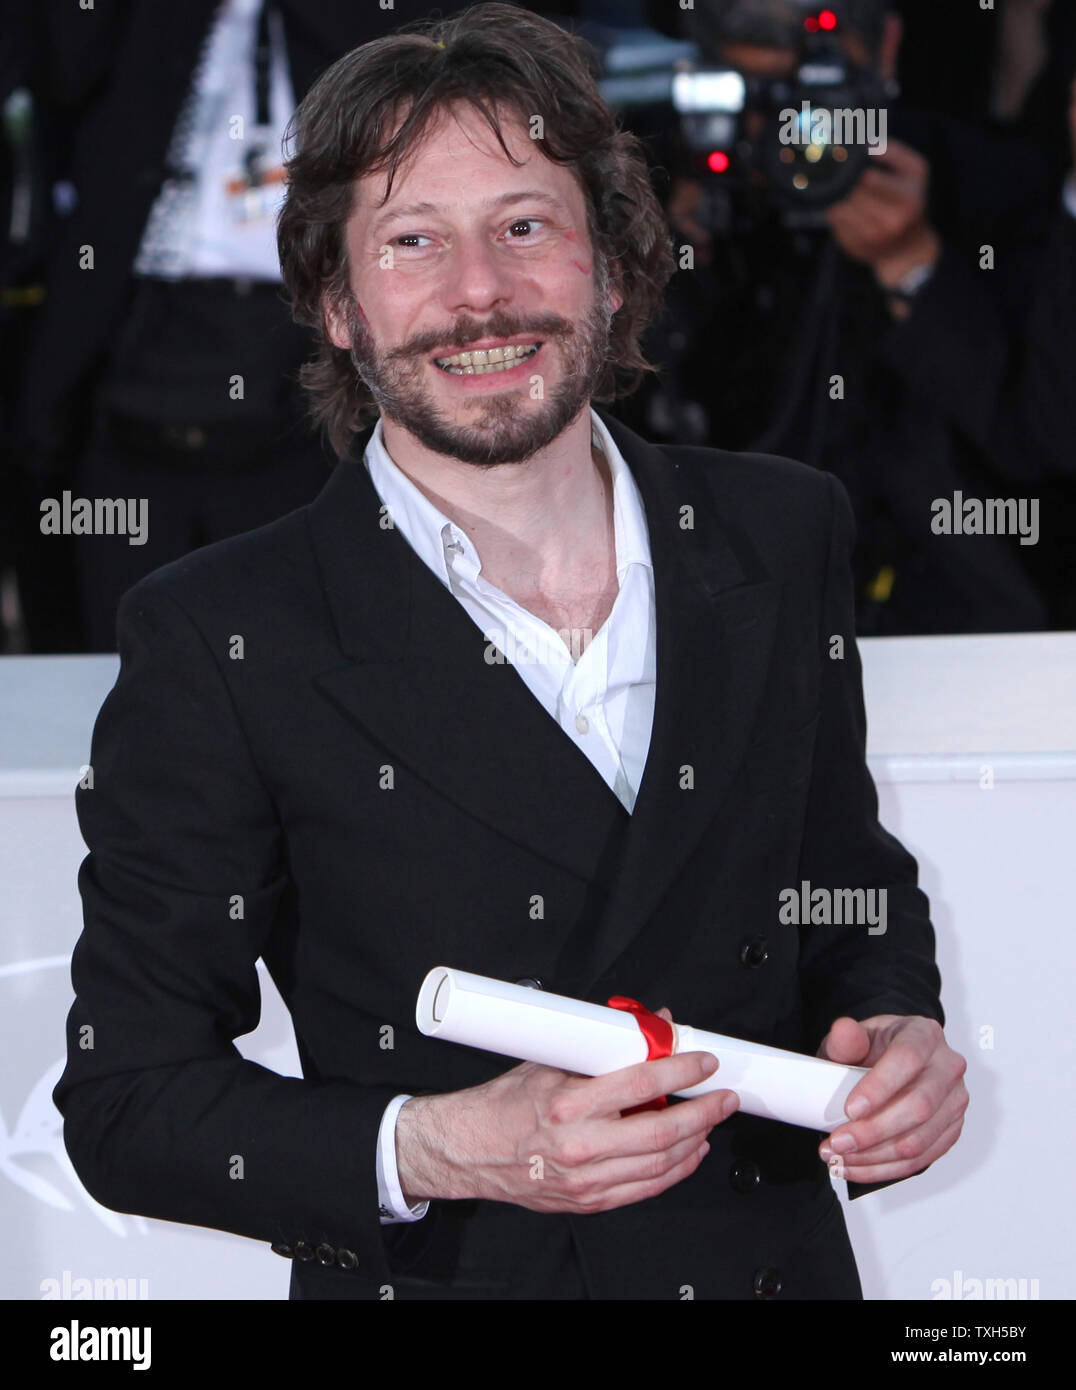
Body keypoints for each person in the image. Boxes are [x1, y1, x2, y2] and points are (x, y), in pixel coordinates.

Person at [54, 2, 967, 1301]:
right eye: (412, 241)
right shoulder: (219, 631)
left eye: (525, 225)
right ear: (335, 303)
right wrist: (441, 1147)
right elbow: (128, 1101)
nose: (479, 291)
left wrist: (894, 1026)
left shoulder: (780, 530)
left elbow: (842, 883)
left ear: (614, 263)